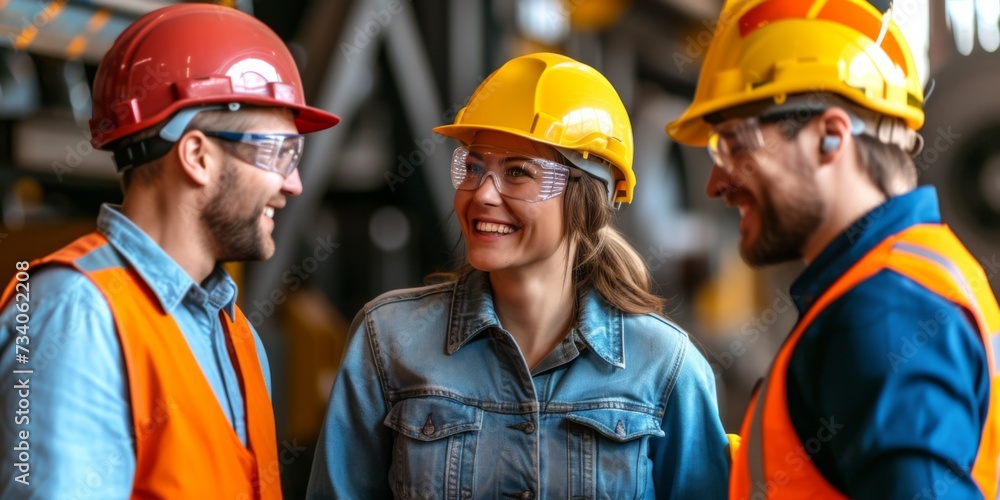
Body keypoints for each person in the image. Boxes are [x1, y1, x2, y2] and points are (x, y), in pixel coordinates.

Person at [307, 52, 729, 498]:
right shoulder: (388, 341)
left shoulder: (664, 366)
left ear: (587, 197)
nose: (483, 194)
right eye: (473, 168)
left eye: (518, 173)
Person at [0, 4, 339, 498]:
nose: (294, 184)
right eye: (278, 153)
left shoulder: (235, 333)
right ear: (197, 155)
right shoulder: (74, 313)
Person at [666, 0, 1000, 498]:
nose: (717, 182)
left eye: (735, 145)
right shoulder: (914, 273)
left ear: (829, 136)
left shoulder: (886, 312)